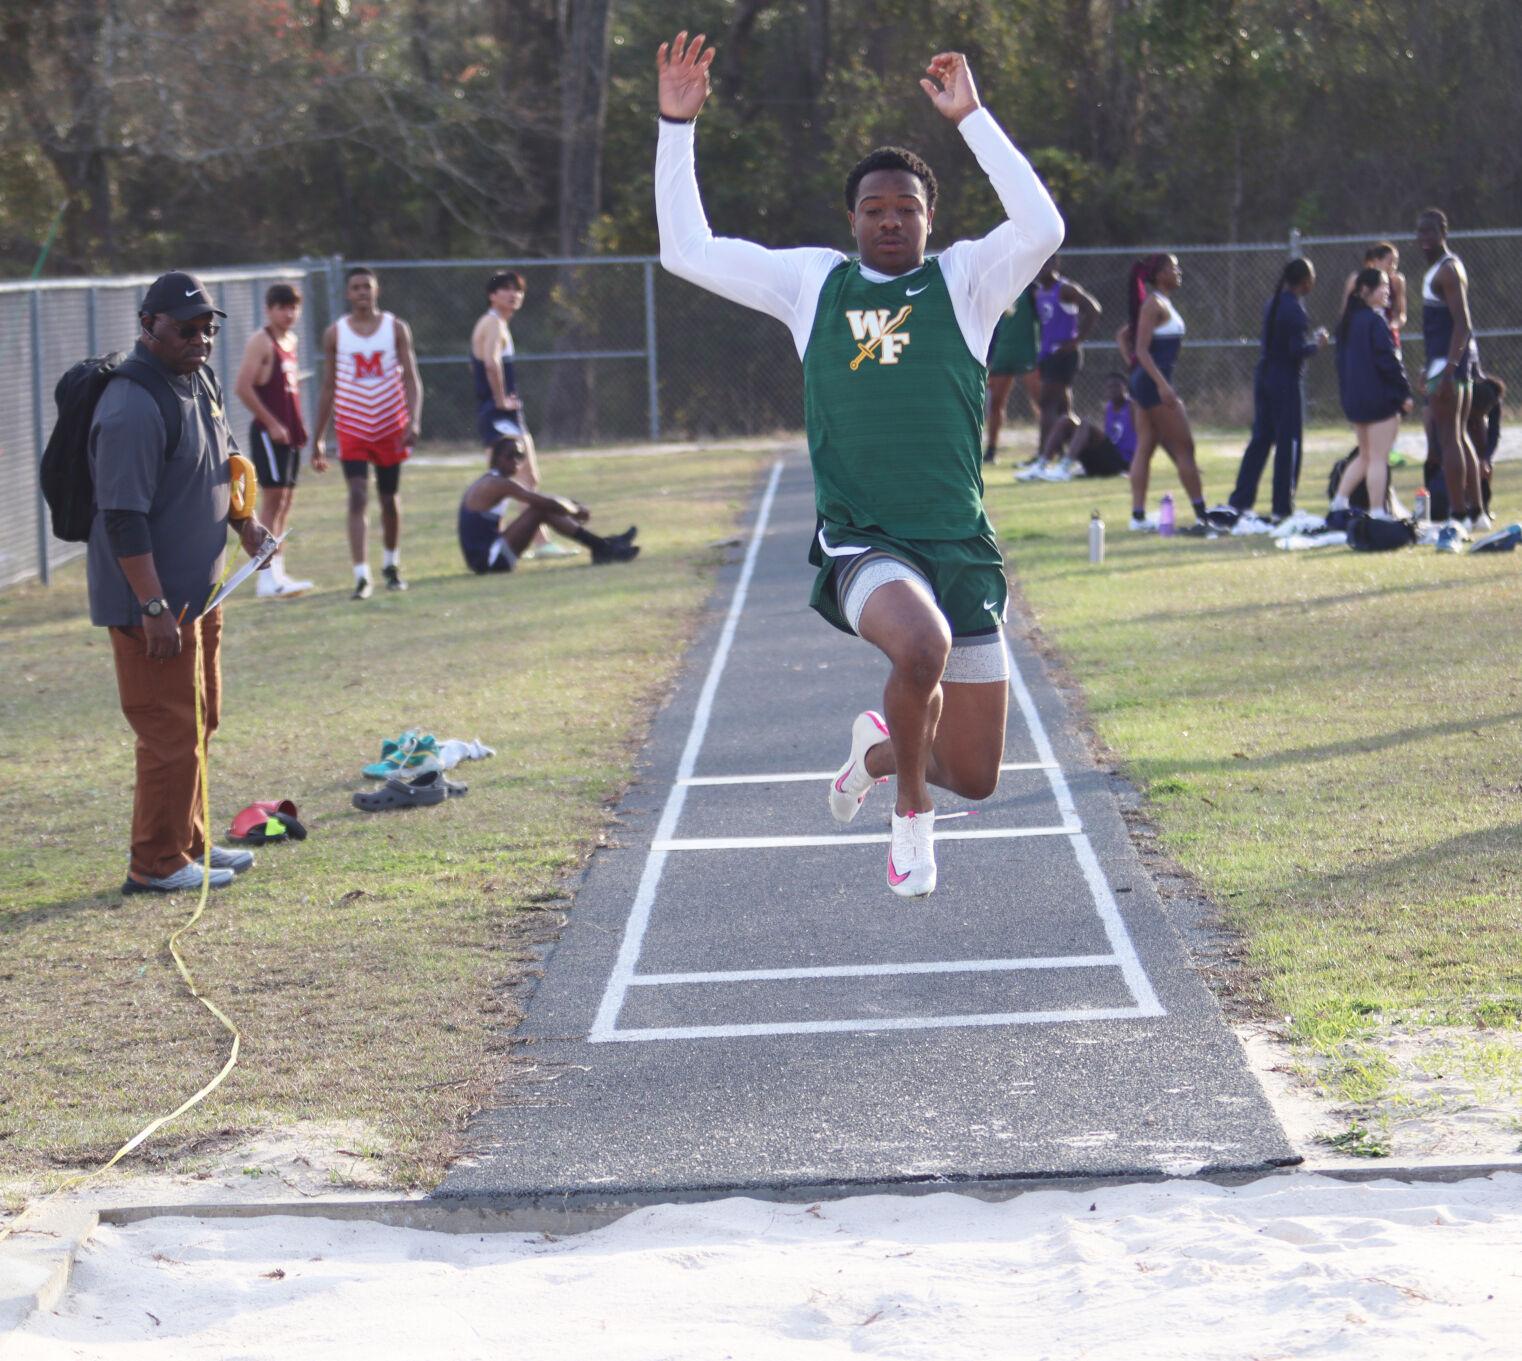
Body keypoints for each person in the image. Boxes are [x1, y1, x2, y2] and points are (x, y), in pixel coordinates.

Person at [656, 31, 1063, 898]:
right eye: (874, 206)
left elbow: (1044, 226)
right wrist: (676, 125)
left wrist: (974, 119)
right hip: (865, 542)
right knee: (921, 644)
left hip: (961, 547)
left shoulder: (968, 282)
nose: (888, 218)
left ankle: (880, 754)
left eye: (905, 208)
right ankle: (909, 822)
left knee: (977, 773)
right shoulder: (815, 285)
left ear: (928, 218)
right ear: (852, 219)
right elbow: (686, 252)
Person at [86, 271, 274, 894]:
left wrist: (246, 526)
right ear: (148, 327)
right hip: (152, 605)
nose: (200, 339)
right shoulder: (132, 403)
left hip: (199, 594)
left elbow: (224, 455)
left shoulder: (199, 377)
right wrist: (154, 604)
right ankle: (155, 863)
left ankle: (188, 842)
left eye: (208, 328)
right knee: (168, 732)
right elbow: (122, 516)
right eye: (185, 329)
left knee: (199, 721)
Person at [311, 266, 424, 598]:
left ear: (377, 291)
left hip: (391, 424)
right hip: (353, 426)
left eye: (367, 287)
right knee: (358, 494)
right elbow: (328, 386)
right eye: (356, 287)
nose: (362, 292)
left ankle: (390, 564)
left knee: (389, 498)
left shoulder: (396, 328)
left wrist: (414, 420)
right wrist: (318, 436)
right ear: (348, 294)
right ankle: (361, 575)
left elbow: (412, 378)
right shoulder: (335, 333)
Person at [470, 270, 575, 560]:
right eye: (505, 289)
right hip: (499, 413)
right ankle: (533, 543)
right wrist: (500, 398)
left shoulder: (497, 324)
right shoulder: (493, 323)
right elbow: (490, 363)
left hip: (502, 413)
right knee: (516, 479)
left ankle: (531, 540)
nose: (513, 294)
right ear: (492, 295)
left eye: (517, 290)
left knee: (524, 478)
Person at [1227, 258, 1329, 523]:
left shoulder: (1272, 302)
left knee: (1260, 439)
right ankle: (1282, 507)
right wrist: (1317, 346)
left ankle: (1240, 501)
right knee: (1288, 442)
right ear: (1304, 281)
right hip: (1284, 381)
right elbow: (1295, 351)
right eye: (1312, 277)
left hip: (1264, 376)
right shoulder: (1295, 310)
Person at [1120, 254, 1214, 533]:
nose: (1179, 272)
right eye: (1173, 268)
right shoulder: (1153, 304)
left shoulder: (1162, 303)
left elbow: (1125, 335)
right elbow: (1141, 349)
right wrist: (1162, 385)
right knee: (1185, 447)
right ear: (1160, 275)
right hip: (1152, 384)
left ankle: (1137, 517)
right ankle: (1201, 515)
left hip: (1146, 382)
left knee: (1146, 444)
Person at [233, 282, 314, 597]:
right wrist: (272, 423)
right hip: (269, 434)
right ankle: (266, 577)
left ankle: (278, 572)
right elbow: (243, 386)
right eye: (282, 306)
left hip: (289, 434)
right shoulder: (261, 341)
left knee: (285, 502)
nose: (289, 313)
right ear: (269, 309)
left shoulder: (291, 340)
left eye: (294, 306)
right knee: (272, 501)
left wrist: (297, 426)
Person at [459, 435, 638, 573]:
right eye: (510, 456)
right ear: (497, 459)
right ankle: (602, 548)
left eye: (520, 456)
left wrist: (571, 506)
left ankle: (604, 545)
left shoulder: (491, 481)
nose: (516, 461)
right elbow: (542, 502)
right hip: (489, 562)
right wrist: (576, 510)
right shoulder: (497, 484)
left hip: (486, 558)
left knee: (541, 508)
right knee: (539, 510)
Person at [1416, 209, 1486, 532]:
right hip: (1446, 363)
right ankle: (1477, 514)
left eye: (1430, 232)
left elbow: (1463, 323)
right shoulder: (1441, 269)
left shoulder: (1447, 270)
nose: (1423, 239)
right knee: (1459, 436)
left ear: (1444, 231)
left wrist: (1447, 371)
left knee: (1448, 440)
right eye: (1420, 233)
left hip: (1451, 367)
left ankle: (1459, 516)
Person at [1328, 267, 1412, 526]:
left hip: (1356, 401)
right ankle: (1377, 512)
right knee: (1378, 458)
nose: (1388, 290)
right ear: (1366, 291)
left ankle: (1339, 503)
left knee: (1364, 456)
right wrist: (1403, 393)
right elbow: (1388, 361)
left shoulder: (1348, 322)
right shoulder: (1375, 321)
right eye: (1383, 286)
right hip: (1379, 401)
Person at [1033, 255, 1101, 459]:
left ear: (1055, 264)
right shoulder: (1039, 293)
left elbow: (1093, 310)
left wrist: (1076, 340)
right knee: (1062, 408)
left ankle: (1043, 455)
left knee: (1047, 404)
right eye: (1038, 263)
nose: (1041, 268)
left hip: (1064, 354)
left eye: (1045, 263)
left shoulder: (1065, 289)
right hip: (1047, 354)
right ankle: (1077, 450)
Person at [983, 282, 1040, 464]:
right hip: (1003, 353)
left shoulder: (1031, 289)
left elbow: (1044, 318)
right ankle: (991, 450)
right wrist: (989, 356)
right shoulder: (996, 290)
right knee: (996, 403)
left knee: (1040, 402)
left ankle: (1049, 447)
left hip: (1028, 352)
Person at [1343, 242, 1407, 344]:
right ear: (1376, 261)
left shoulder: (1397, 281)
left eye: (1396, 263)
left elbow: (1401, 315)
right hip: (1364, 336)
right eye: (1390, 262)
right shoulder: (1358, 279)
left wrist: (1391, 326)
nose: (1394, 267)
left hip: (1387, 337)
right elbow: (1345, 311)